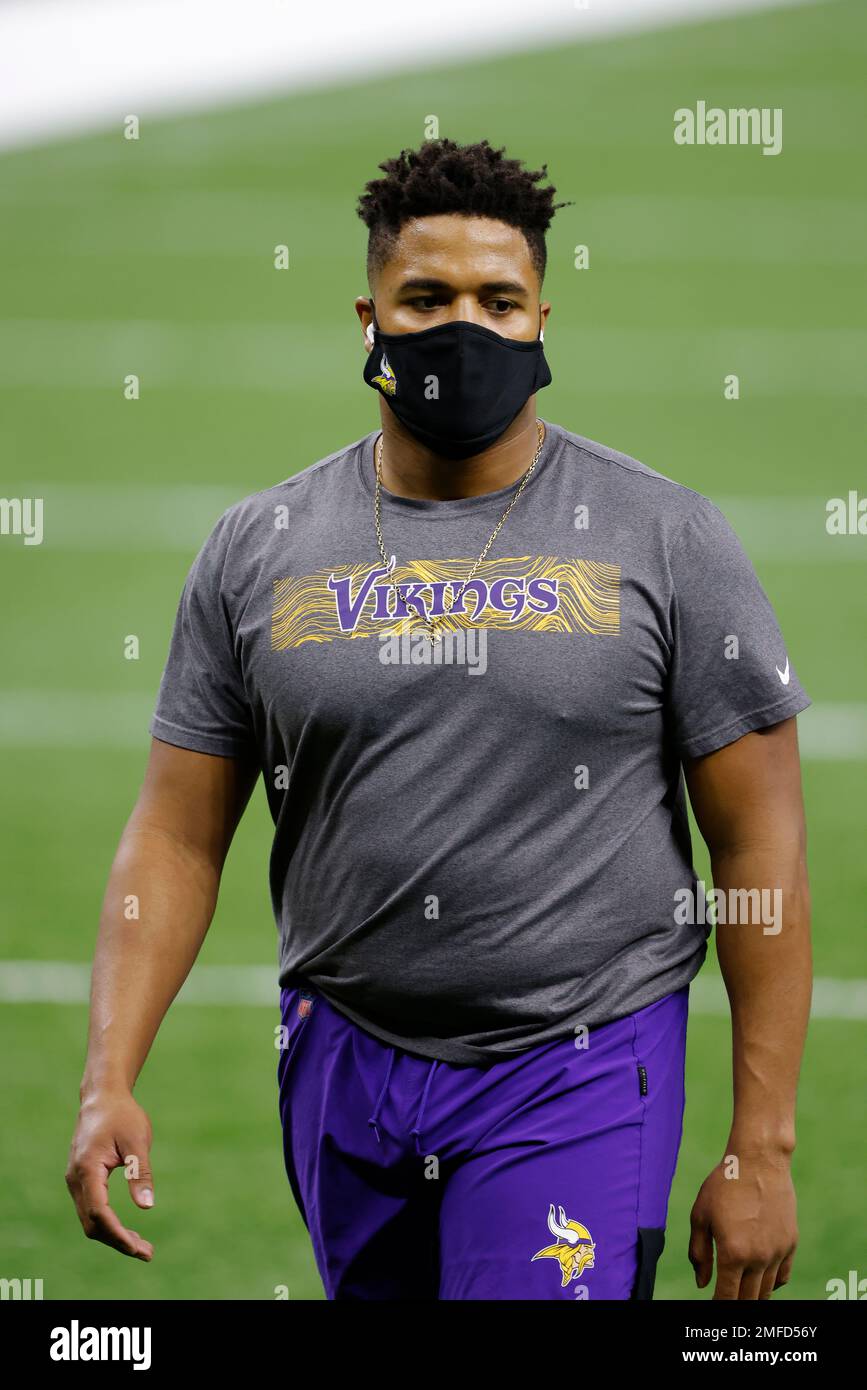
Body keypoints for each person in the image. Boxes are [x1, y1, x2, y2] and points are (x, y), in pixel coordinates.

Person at [66, 138, 812, 1301]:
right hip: (342, 1054)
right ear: (367, 318)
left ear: (541, 320)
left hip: (577, 1055)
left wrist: (757, 1143)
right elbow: (173, 835)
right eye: (428, 298)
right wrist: (106, 1076)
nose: (463, 327)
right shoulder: (256, 546)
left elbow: (760, 846)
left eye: (497, 301)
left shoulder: (667, 537)